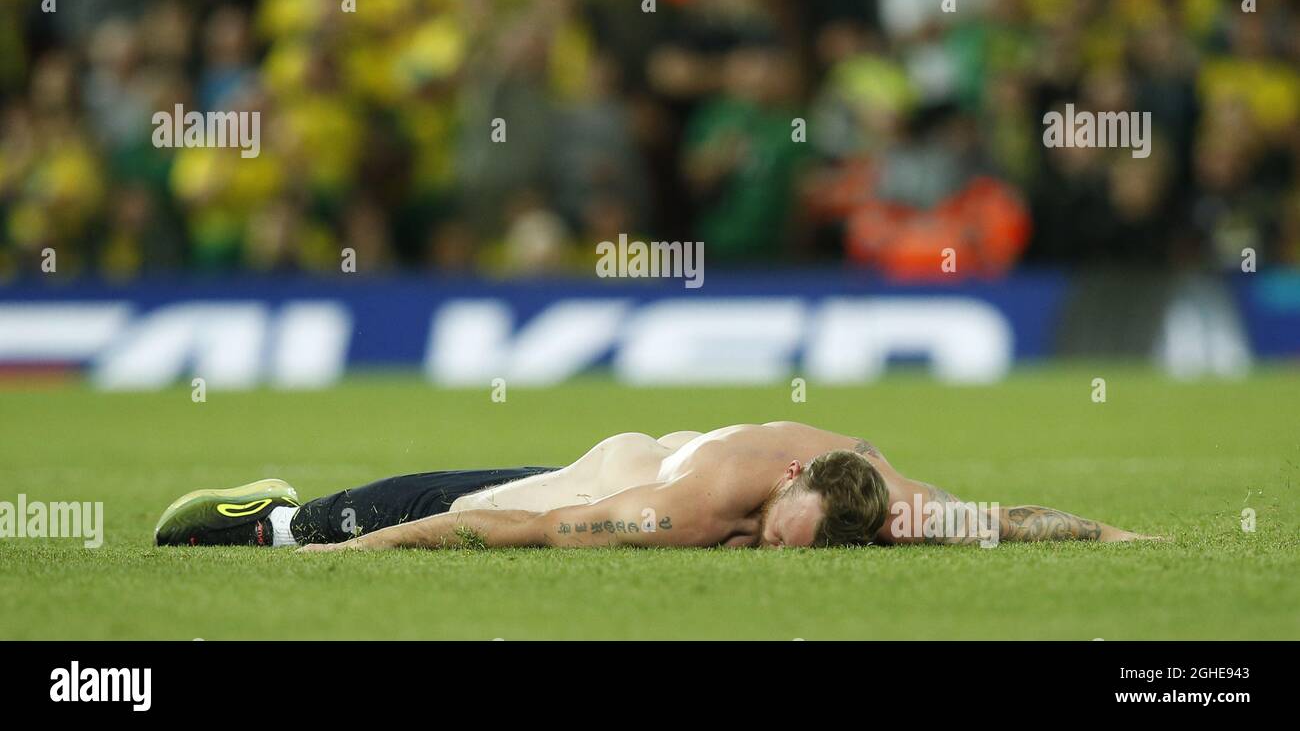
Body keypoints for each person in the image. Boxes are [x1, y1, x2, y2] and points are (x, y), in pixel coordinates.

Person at [154, 421, 1153, 551]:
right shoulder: (694, 507)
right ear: (777, 491)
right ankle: (277, 516)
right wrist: (335, 553)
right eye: (772, 537)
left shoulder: (890, 497)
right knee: (462, 505)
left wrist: (1118, 537)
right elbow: (518, 531)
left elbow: (1020, 520)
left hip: (662, 456)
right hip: (618, 471)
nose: (770, 555)